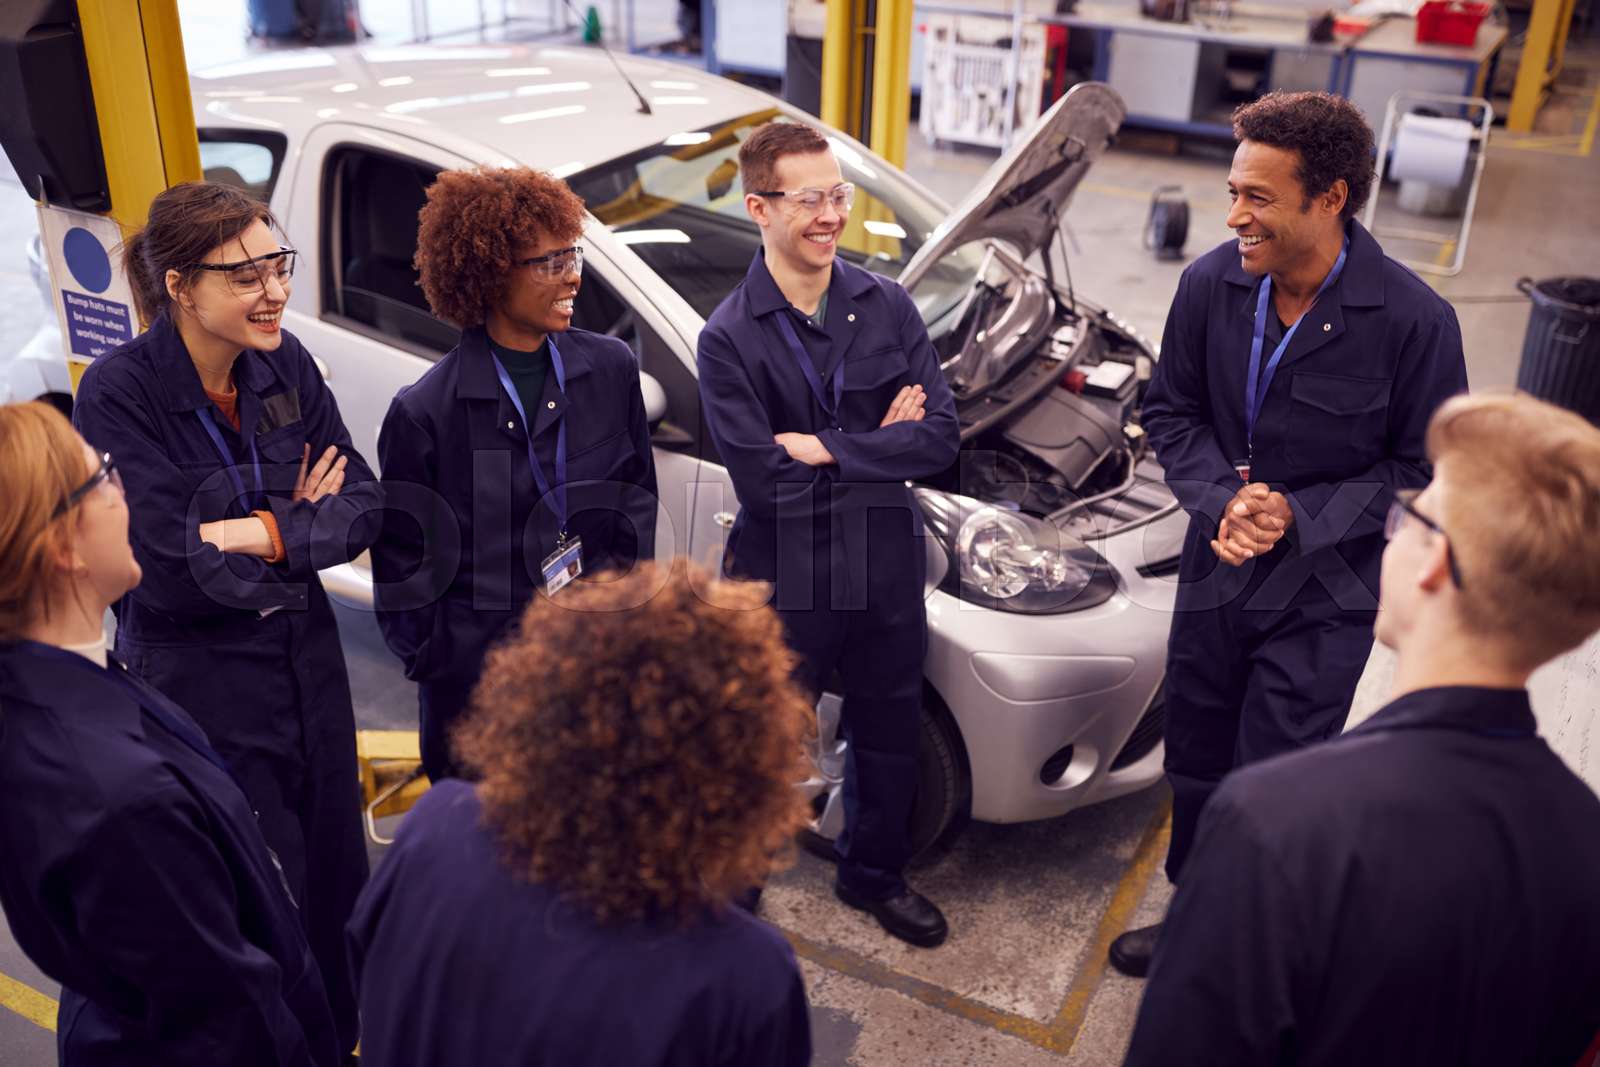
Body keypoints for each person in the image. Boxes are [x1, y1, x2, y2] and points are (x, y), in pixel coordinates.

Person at [1123, 392, 1600, 1065]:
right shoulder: (1585, 846)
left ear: (1435, 563)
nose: (1394, 534)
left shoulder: (1274, 822)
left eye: (1411, 516)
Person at [1110, 92, 1469, 975]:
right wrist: (1219, 502)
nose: (1235, 215)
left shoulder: (1417, 324)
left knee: (1275, 777)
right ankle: (1197, 912)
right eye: (1234, 191)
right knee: (1195, 760)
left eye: (1259, 198)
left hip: (1327, 594)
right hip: (1219, 569)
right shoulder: (1211, 285)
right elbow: (1172, 410)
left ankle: (1252, 938)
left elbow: (1424, 473)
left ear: (1330, 198)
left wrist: (1299, 518)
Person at [71, 181, 377, 1050]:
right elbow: (169, 567)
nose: (274, 290)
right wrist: (298, 524)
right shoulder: (119, 394)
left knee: (333, 894)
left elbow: (364, 502)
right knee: (250, 909)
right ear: (179, 286)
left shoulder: (284, 362)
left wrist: (255, 530)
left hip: (308, 672)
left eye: (276, 264)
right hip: (204, 692)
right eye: (244, 276)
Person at [347, 561, 814, 1066]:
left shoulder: (433, 831)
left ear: (540, 704)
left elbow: (366, 974)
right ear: (738, 779)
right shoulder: (745, 979)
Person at [0, 402, 342, 1066]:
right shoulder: (122, 799)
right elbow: (230, 1026)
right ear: (62, 547)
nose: (121, 484)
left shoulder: (53, 691)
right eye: (101, 474)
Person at [697, 121, 960, 947]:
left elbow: (942, 439)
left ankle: (873, 875)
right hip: (787, 578)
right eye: (809, 198)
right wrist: (881, 448)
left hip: (884, 563)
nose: (830, 215)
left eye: (838, 194)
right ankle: (734, 894)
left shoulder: (885, 304)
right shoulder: (728, 336)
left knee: (886, 732)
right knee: (761, 743)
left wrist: (828, 446)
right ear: (760, 207)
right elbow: (768, 488)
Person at [371, 166, 658, 782]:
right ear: (488, 276)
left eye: (571, 253)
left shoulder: (610, 369)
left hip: (591, 660)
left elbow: (634, 501)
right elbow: (404, 571)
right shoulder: (425, 414)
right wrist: (444, 659)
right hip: (481, 688)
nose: (573, 275)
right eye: (548, 262)